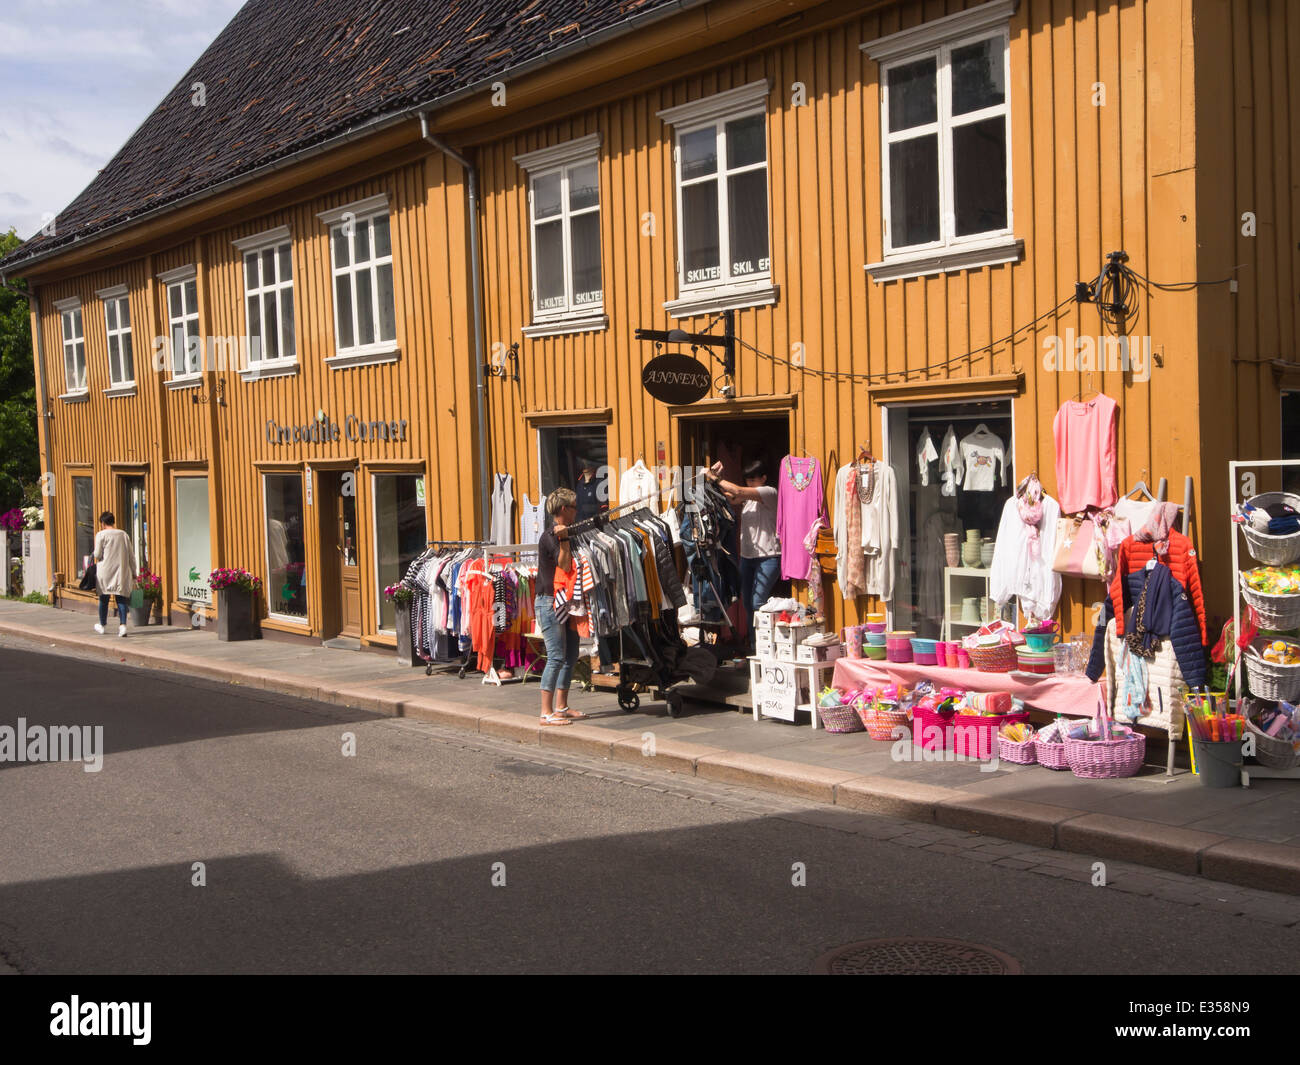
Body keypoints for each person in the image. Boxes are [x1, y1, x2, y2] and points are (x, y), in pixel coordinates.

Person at [707, 459, 782, 649]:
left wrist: (714, 478)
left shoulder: (769, 492)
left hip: (769, 557)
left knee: (758, 602)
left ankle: (766, 647)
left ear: (763, 478)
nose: (749, 483)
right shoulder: (748, 499)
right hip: (748, 558)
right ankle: (755, 646)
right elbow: (730, 496)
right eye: (747, 479)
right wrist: (715, 480)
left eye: (752, 479)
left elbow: (738, 491)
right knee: (748, 604)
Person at [535, 487, 585, 726]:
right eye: (574, 507)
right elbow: (564, 565)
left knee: (571, 654)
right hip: (548, 601)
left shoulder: (569, 532)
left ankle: (561, 706)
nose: (577, 511)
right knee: (556, 656)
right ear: (564, 509)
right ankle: (546, 713)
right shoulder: (550, 536)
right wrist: (564, 538)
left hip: (567, 600)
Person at [93, 511, 137, 637]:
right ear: (113, 521)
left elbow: (97, 554)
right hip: (120, 571)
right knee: (121, 598)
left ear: (102, 522)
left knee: (104, 599)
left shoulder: (101, 535)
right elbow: (131, 556)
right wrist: (134, 572)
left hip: (105, 571)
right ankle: (122, 626)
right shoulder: (123, 534)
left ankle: (102, 624)